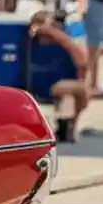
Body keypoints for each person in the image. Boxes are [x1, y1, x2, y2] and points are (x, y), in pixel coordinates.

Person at [30, 10, 91, 143]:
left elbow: (83, 63)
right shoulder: (30, 43)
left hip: (56, 83)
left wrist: (59, 36)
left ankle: (70, 124)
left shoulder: (62, 43)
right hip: (36, 84)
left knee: (82, 88)